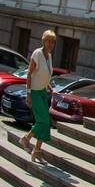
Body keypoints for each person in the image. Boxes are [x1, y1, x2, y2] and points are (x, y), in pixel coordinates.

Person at [20, 29, 57, 165]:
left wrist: (50, 88)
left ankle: (37, 151)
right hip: (34, 92)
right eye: (48, 41)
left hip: (42, 91)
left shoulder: (50, 56)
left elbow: (45, 75)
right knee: (43, 121)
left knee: (45, 123)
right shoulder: (37, 53)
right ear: (43, 41)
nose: (50, 44)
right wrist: (28, 93)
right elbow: (29, 74)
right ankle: (26, 138)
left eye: (52, 42)